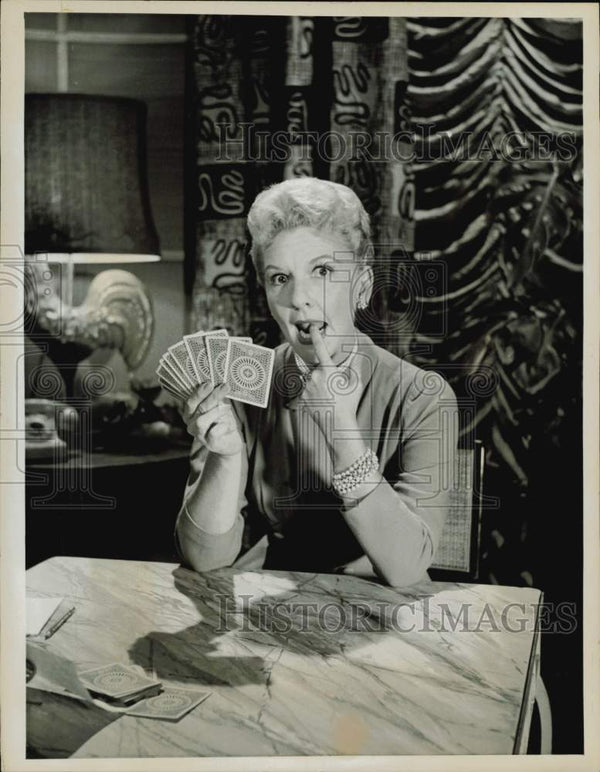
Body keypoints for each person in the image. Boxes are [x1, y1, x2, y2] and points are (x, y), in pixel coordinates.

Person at [175, 177, 458, 588]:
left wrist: (342, 433)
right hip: (263, 617)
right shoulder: (239, 382)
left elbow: (407, 568)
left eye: (322, 271)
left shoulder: (422, 396)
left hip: (380, 620)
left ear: (361, 285)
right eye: (279, 278)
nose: (299, 298)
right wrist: (227, 457)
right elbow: (201, 559)